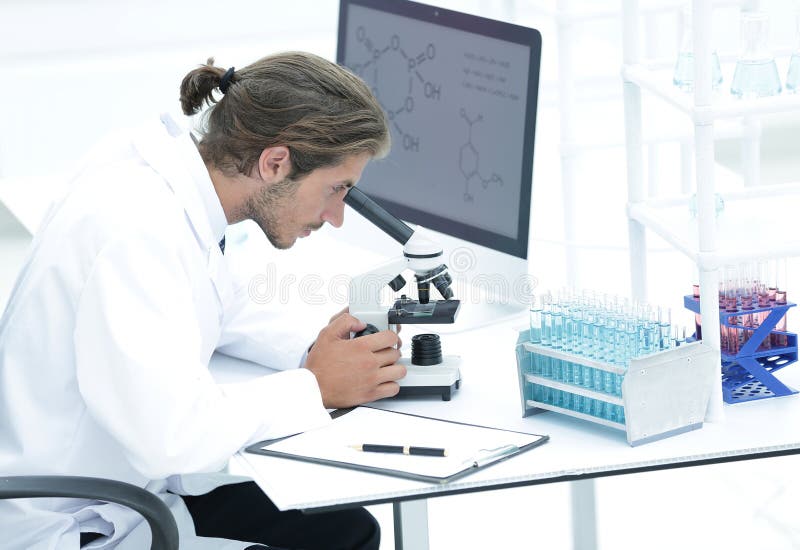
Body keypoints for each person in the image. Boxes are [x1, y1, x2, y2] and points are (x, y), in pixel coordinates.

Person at [0, 52, 407, 549]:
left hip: (123, 482)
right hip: (78, 521)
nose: (336, 215)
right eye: (336, 189)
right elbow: (171, 439)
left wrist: (315, 347)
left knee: (347, 528)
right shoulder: (139, 228)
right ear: (275, 162)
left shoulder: (170, 182)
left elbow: (219, 295)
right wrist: (315, 386)